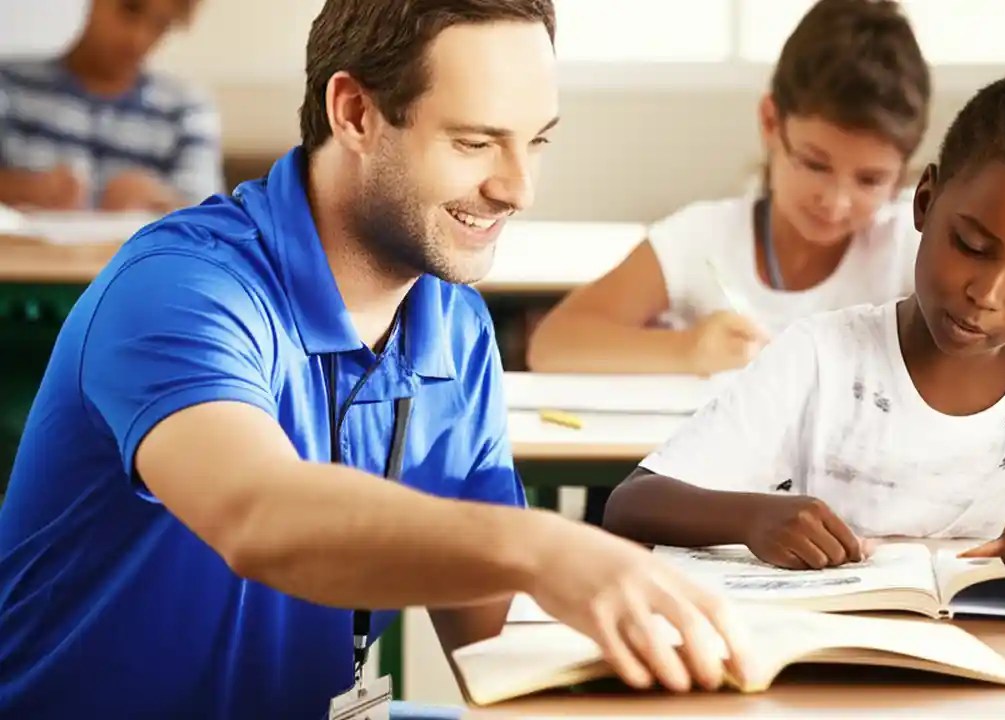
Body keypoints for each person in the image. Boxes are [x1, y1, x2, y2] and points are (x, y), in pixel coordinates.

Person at [0, 2, 753, 717]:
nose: (518, 187)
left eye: (539, 140)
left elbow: (495, 636)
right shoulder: (179, 287)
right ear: (355, 113)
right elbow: (259, 516)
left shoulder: (456, 328)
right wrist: (546, 545)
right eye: (474, 141)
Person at [602, 73, 1005, 576]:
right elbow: (632, 503)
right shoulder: (823, 357)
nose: (987, 293)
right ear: (925, 202)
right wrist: (750, 516)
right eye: (971, 245)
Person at [526, 0, 930, 377]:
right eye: (814, 164)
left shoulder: (909, 249)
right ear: (771, 122)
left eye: (871, 180)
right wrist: (688, 350)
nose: (836, 201)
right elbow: (552, 345)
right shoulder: (704, 239)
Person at [0, 0, 222, 213]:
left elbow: (214, 223)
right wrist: (24, 189)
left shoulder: (186, 112)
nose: (138, 38)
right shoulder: (8, 85)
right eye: (130, 8)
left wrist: (159, 201)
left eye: (161, 24)